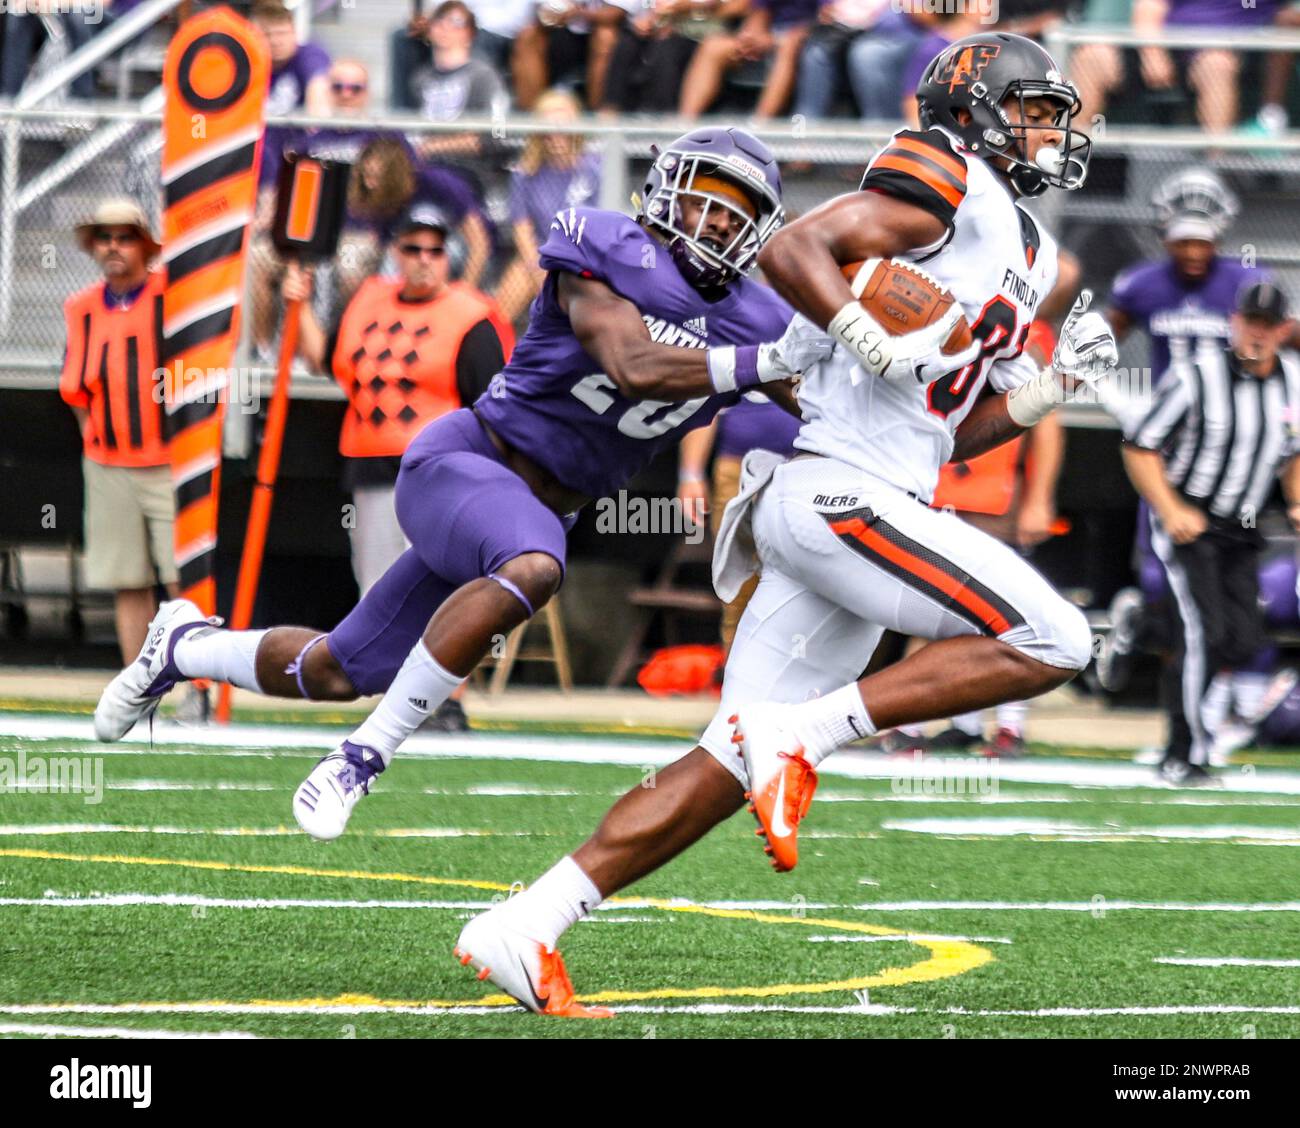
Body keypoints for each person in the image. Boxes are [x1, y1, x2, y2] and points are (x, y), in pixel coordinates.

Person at [451, 32, 1113, 1017]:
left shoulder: (1030, 252)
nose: (1050, 132)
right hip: (837, 497)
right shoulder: (946, 175)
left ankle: (528, 922)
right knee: (1053, 636)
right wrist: (860, 333)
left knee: (726, 756)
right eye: (1034, 110)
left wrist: (1045, 390)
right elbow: (791, 246)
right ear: (976, 110)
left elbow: (940, 432)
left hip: (877, 494)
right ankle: (804, 734)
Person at [93, 129, 815, 895]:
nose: (714, 220)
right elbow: (631, 366)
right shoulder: (609, 245)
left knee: (338, 668)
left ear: (760, 230)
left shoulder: (761, 320)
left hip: (536, 509)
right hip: (467, 462)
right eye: (705, 196)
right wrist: (768, 362)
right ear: (667, 187)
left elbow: (821, 408)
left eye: (737, 210)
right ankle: (361, 758)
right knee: (534, 566)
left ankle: (182, 647)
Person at [285, 204, 514, 732]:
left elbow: (496, 407)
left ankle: (448, 698)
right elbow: (326, 360)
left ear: (449, 255)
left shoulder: (472, 316)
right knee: (379, 591)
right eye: (412, 248)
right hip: (372, 466)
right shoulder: (367, 300)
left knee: (446, 592)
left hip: (444, 475)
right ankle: (398, 699)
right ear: (395, 252)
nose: (424, 260)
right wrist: (295, 307)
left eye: (435, 249)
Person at [1121, 282, 1300, 784]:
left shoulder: (1295, 383)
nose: (1257, 334)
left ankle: (1142, 632)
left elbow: (1292, 452)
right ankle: (1186, 755)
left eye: (1268, 325)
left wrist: (1295, 500)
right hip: (1189, 521)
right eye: (1250, 322)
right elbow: (1139, 444)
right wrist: (1171, 508)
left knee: (1244, 638)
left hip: (1241, 527)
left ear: (1284, 330)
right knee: (1203, 635)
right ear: (1234, 322)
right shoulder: (1196, 375)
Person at [59, 199, 176, 664]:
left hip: (169, 462)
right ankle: (138, 685)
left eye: (125, 237)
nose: (113, 246)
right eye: (105, 237)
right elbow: (75, 392)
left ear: (145, 246)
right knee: (129, 580)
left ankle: (199, 686)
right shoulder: (80, 308)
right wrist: (99, 442)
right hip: (109, 464)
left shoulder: (173, 296)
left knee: (184, 580)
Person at [677, 394, 800, 656]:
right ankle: (735, 668)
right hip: (737, 465)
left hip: (804, 465)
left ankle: (795, 673)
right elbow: (703, 401)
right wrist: (690, 473)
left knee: (801, 572)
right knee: (737, 574)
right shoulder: (732, 350)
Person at [496, 88, 602, 323]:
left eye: (562, 129)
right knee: (503, 303)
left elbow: (604, 231)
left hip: (585, 256)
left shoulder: (595, 169)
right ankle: (496, 349)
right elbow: (521, 230)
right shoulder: (525, 173)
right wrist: (538, 269)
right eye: (549, 130)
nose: (556, 136)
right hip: (541, 254)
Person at [678, 0, 817, 120]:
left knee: (788, 46)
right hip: (771, 34)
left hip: (809, 37)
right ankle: (685, 124)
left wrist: (778, 39)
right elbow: (760, 10)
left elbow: (826, 16)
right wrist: (752, 37)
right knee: (713, 46)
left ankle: (760, 124)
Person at [792, 1, 926, 122]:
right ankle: (806, 126)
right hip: (848, 31)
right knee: (817, 53)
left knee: (867, 54)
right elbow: (826, 10)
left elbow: (931, 17)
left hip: (902, 36)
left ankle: (881, 128)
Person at [410, 1, 509, 160]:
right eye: (439, 19)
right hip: (426, 165)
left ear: (471, 33)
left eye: (456, 21)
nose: (445, 27)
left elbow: (498, 135)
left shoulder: (484, 76)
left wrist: (433, 146)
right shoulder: (420, 78)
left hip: (470, 170)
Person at [511, 0, 627, 110]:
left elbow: (615, 14)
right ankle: (532, 118)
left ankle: (600, 120)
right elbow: (542, 13)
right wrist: (556, 14)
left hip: (602, 37)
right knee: (528, 36)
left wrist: (577, 12)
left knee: (606, 36)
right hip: (558, 34)